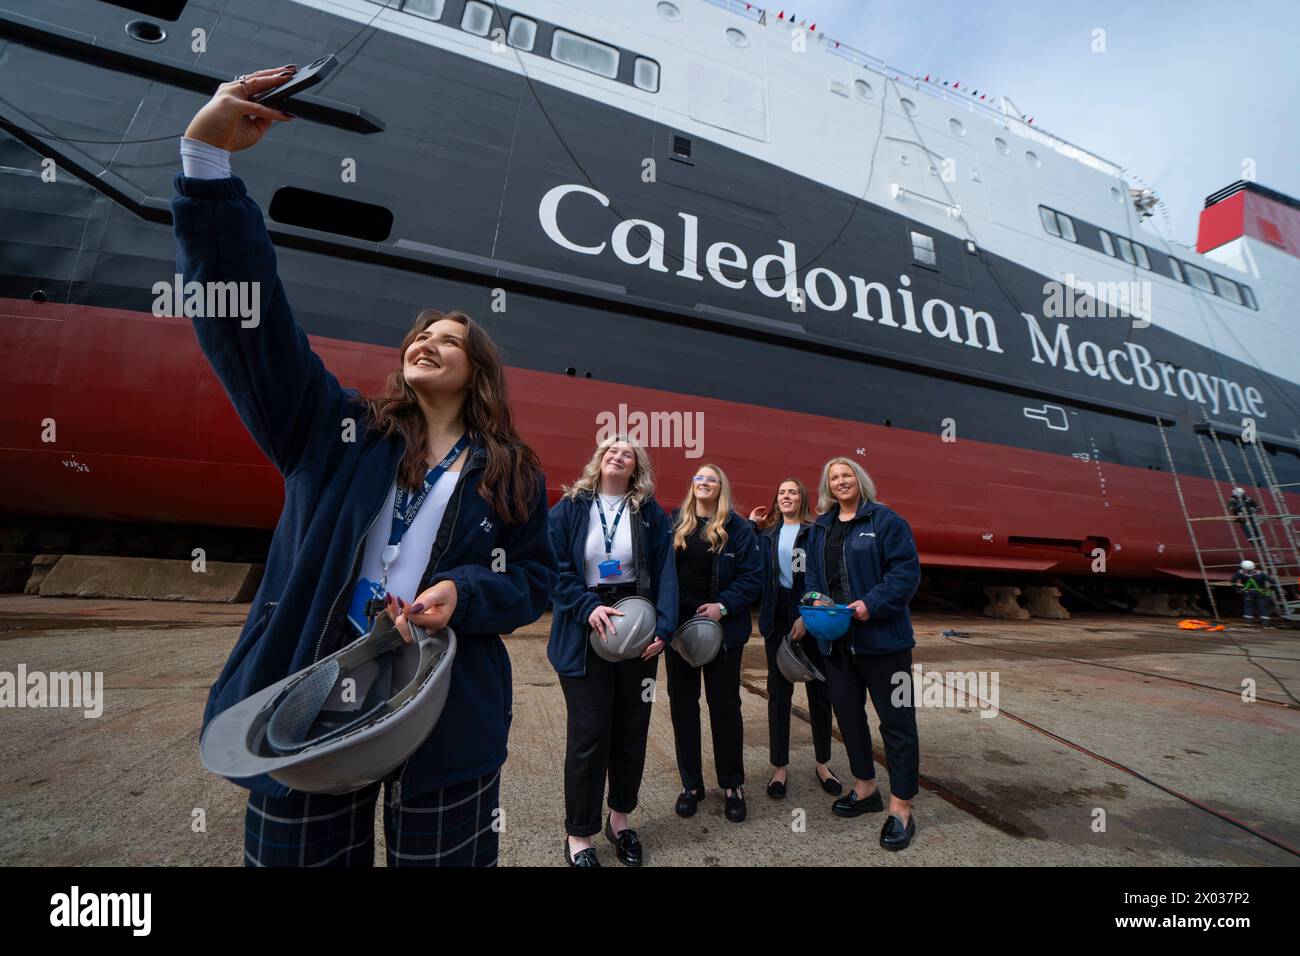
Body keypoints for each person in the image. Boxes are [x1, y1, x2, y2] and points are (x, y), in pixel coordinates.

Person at [180, 67, 556, 867]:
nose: (426, 341)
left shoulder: (513, 470)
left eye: (449, 338)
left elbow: (534, 578)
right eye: (419, 334)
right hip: (311, 685)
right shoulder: (332, 430)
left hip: (446, 708)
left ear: (478, 369)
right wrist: (208, 168)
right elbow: (251, 329)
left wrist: (468, 592)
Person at [547, 437, 678, 866]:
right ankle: (579, 835)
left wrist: (665, 626)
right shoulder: (570, 508)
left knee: (630, 732)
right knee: (589, 735)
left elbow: (664, 571)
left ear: (636, 468)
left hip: (637, 629)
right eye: (612, 451)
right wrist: (586, 607)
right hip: (585, 626)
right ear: (600, 461)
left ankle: (619, 819)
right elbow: (554, 568)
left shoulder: (649, 513)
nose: (618, 456)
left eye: (628, 454)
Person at [799, 458, 921, 851]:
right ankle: (865, 787)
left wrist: (871, 603)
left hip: (884, 643)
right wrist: (815, 601)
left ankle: (900, 806)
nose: (840, 481)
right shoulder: (821, 527)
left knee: (896, 723)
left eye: (846, 475)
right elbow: (815, 578)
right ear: (828, 486)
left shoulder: (885, 521)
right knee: (849, 718)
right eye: (833, 477)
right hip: (836, 643)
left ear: (860, 479)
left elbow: (905, 574)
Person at [666, 465, 764, 823]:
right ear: (692, 486)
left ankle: (732, 783)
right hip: (680, 633)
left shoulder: (737, 528)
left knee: (724, 706)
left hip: (722, 633)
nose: (704, 483)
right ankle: (691, 784)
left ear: (721, 487)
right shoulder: (675, 522)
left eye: (711, 479)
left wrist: (723, 606)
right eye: (698, 478)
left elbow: (754, 577)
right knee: (683, 708)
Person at [749, 479, 841, 800]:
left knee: (820, 690)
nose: (786, 496)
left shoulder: (814, 532)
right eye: (781, 492)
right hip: (777, 614)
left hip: (809, 611)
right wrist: (749, 524)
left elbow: (823, 575)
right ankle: (779, 768)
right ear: (776, 500)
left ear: (802, 499)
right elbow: (747, 561)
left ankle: (823, 764)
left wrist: (806, 614)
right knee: (778, 691)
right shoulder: (767, 535)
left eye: (792, 492)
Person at [1231, 559, 1277, 625]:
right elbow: (1273, 583)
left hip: (1248, 593)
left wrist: (1238, 589)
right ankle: (1265, 621)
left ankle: (1248, 621)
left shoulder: (1240, 574)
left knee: (1248, 607)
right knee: (1263, 607)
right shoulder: (1261, 573)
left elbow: (1233, 582)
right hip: (1261, 593)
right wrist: (1269, 590)